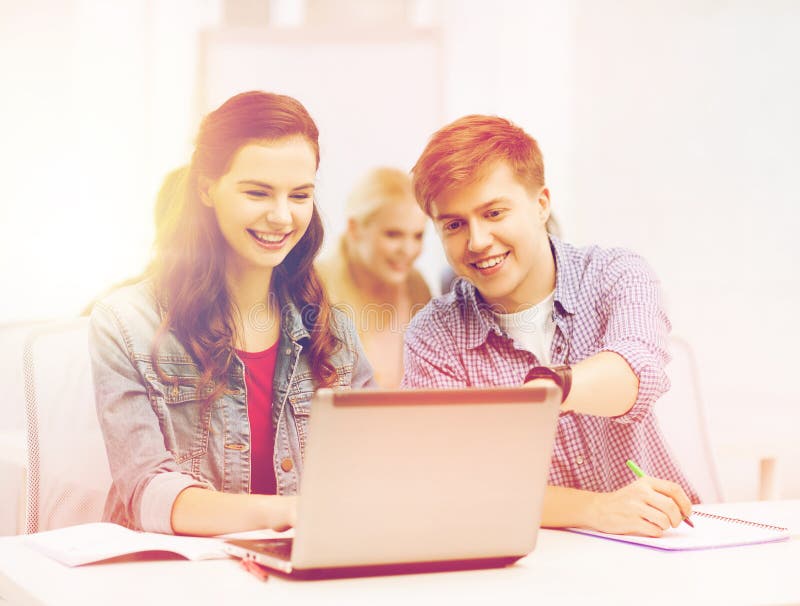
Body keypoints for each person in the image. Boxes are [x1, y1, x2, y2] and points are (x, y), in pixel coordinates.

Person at [88, 91, 374, 536]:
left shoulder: (331, 330)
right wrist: (288, 514)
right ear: (206, 187)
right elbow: (146, 490)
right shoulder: (126, 323)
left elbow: (373, 463)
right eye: (258, 192)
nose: (282, 216)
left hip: (304, 576)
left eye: (300, 195)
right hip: (176, 581)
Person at [403, 114, 699, 537]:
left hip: (664, 536)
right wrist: (597, 509)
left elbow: (635, 374)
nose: (478, 241)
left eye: (494, 212)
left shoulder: (615, 274)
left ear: (541, 205)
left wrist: (546, 391)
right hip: (536, 564)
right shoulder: (433, 336)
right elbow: (459, 484)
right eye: (454, 224)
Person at [316, 167, 430, 387]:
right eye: (393, 234)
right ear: (354, 229)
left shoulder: (417, 286)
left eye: (418, 236)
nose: (408, 250)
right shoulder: (315, 286)